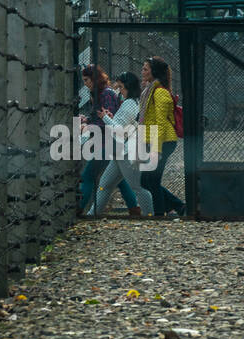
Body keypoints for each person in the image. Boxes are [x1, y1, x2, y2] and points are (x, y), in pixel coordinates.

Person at [87, 72, 154, 218]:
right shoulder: (133, 102)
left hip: (125, 152)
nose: (120, 91)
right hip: (121, 152)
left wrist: (105, 117)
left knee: (137, 187)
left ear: (128, 87)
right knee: (105, 184)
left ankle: (151, 215)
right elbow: (121, 123)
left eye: (122, 87)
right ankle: (92, 214)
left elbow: (118, 129)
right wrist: (110, 117)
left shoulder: (130, 103)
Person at [78, 65, 139, 215]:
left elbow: (109, 122)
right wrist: (87, 119)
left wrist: (87, 125)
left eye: (86, 80)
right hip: (108, 142)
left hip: (107, 143)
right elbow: (100, 117)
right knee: (120, 179)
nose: (85, 83)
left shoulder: (106, 94)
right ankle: (134, 208)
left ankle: (78, 210)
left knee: (88, 176)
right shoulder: (99, 93)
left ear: (94, 78)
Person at [138, 57, 185, 218]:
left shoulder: (160, 93)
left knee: (152, 180)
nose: (142, 71)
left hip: (163, 142)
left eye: (145, 69)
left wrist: (155, 150)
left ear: (154, 72)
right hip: (155, 140)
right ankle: (178, 206)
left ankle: (160, 214)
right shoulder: (150, 90)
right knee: (146, 180)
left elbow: (159, 123)